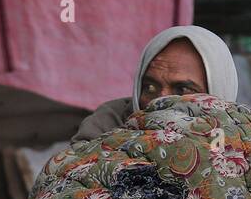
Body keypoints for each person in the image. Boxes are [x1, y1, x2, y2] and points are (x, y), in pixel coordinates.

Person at [71, 25, 240, 143]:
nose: (160, 101)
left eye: (182, 90)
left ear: (217, 92)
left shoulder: (244, 143)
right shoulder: (109, 123)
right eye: (150, 88)